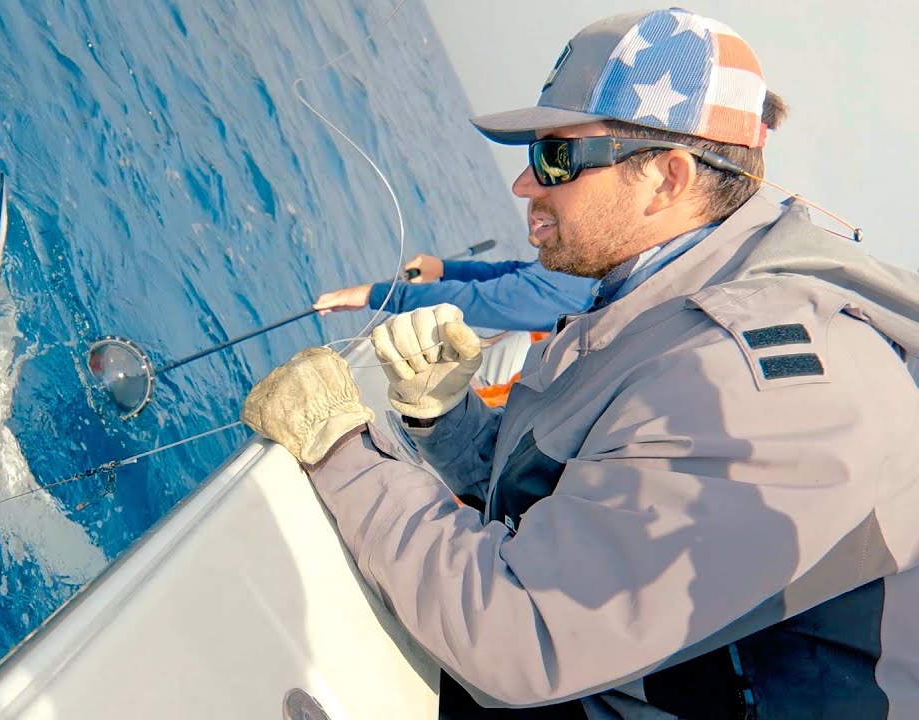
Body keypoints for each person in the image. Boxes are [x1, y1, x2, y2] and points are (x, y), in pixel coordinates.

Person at [240, 8, 919, 718]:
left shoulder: (761, 386)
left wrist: (339, 451)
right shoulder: (662, 294)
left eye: (556, 157)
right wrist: (446, 418)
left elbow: (520, 633)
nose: (524, 186)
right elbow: (574, 493)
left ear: (666, 179)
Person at [313, 252, 597, 332]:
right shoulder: (586, 262)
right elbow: (519, 273)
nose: (522, 188)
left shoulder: (580, 277)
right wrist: (445, 268)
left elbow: (472, 301)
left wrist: (371, 295)